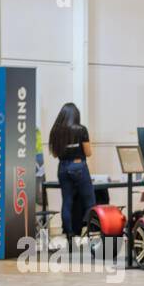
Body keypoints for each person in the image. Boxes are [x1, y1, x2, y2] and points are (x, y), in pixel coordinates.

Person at [48, 102, 95, 245]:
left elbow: (55, 154)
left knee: (67, 201)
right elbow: (88, 152)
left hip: (62, 168)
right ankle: (91, 233)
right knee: (90, 201)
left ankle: (69, 234)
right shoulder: (81, 130)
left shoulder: (56, 131)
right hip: (78, 165)